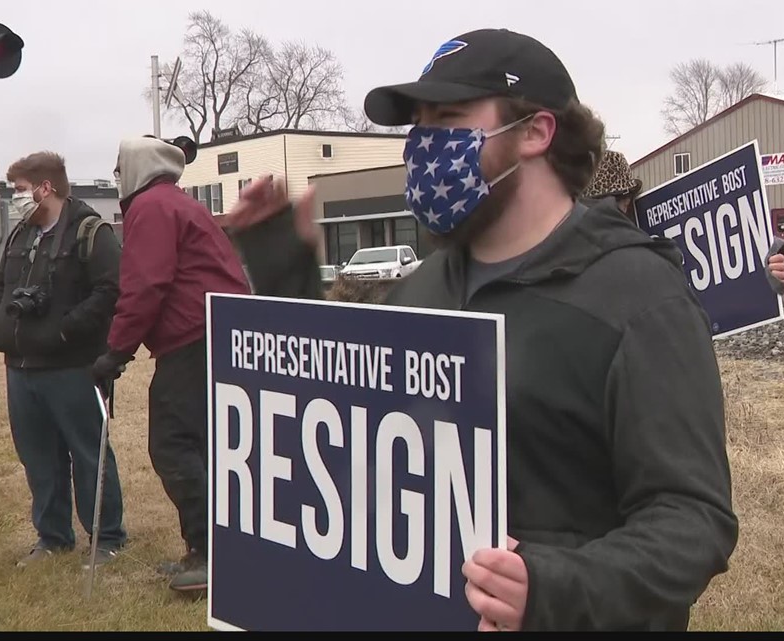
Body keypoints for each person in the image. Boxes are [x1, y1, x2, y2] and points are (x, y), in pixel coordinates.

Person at [221, 28, 737, 631]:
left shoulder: (640, 299)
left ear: (536, 133)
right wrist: (283, 270)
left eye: (449, 117)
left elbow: (692, 519)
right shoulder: (423, 290)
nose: (423, 145)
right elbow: (341, 434)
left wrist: (549, 589)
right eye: (419, 123)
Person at [92, 135, 251, 593]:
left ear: (137, 168)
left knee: (173, 444)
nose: (118, 179)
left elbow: (145, 284)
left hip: (193, 338)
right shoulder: (176, 202)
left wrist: (115, 352)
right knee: (207, 446)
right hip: (217, 332)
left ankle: (212, 554)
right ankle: (211, 548)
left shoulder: (152, 208)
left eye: (120, 169)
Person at [0, 151, 127, 569]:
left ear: (45, 188)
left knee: (89, 454)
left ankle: (107, 538)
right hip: (21, 370)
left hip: (73, 366)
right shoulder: (19, 236)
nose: (16, 199)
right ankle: (52, 537)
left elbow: (110, 292)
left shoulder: (89, 232)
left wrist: (65, 330)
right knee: (39, 457)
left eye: (21, 190)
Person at [581, 150, 784, 293]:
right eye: (605, 202)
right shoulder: (573, 253)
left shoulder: (654, 233)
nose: (620, 207)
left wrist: (771, 276)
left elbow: (729, 270)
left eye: (622, 199)